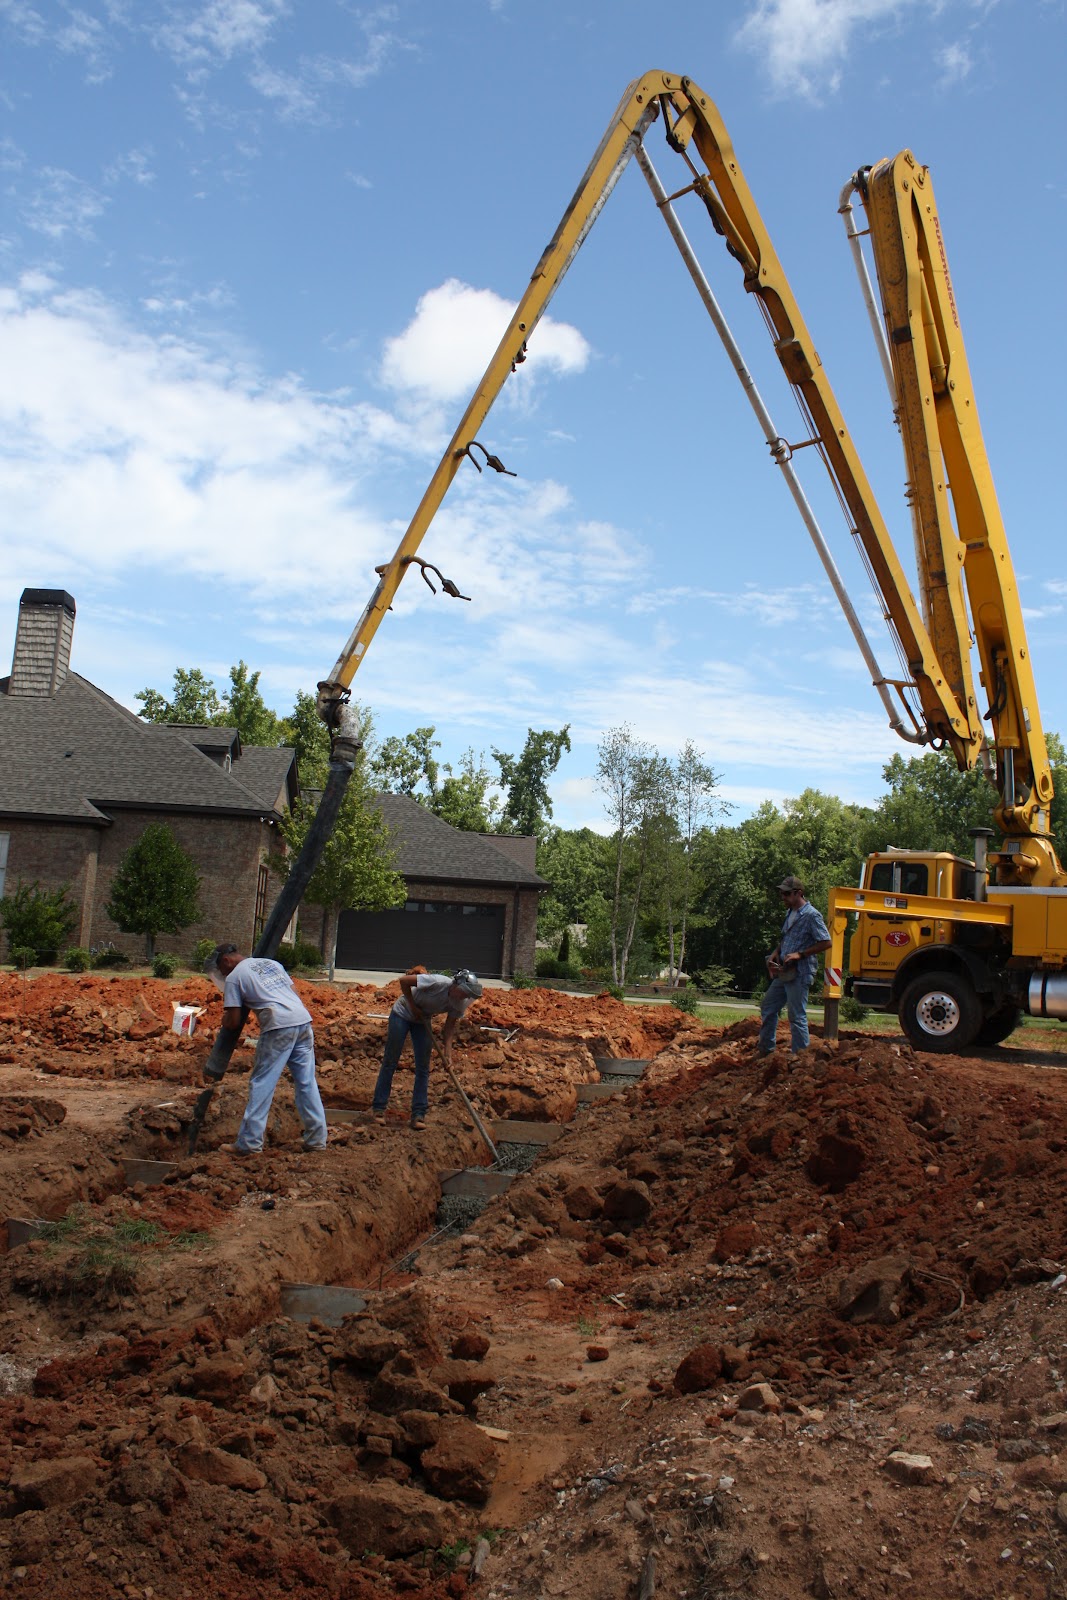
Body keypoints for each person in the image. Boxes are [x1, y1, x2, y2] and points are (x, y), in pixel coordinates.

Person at [205, 943, 328, 1154]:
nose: (222, 975)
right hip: (302, 1021)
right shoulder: (271, 964)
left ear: (226, 960)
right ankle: (317, 1139)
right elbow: (294, 993)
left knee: (262, 1083)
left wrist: (224, 1020)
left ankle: (249, 1143)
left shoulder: (234, 977)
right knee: (306, 1082)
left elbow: (233, 1021)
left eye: (221, 970)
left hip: (278, 1025)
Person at [373, 967, 484, 1130]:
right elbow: (404, 981)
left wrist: (447, 1054)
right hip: (402, 1013)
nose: (465, 997)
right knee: (391, 1061)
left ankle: (419, 1114)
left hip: (422, 1020)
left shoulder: (460, 1003)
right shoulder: (437, 982)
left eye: (468, 995)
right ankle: (379, 1109)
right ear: (457, 986)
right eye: (465, 992)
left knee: (423, 1067)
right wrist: (413, 1006)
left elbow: (449, 1029)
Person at [758, 876, 831, 1057]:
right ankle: (766, 1050)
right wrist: (776, 952)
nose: (783, 897)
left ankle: (801, 1057)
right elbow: (787, 938)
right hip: (785, 971)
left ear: (798, 893)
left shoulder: (812, 915)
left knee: (796, 1015)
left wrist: (801, 954)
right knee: (768, 1006)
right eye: (782, 893)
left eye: (786, 893)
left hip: (800, 972)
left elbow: (826, 942)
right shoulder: (790, 912)